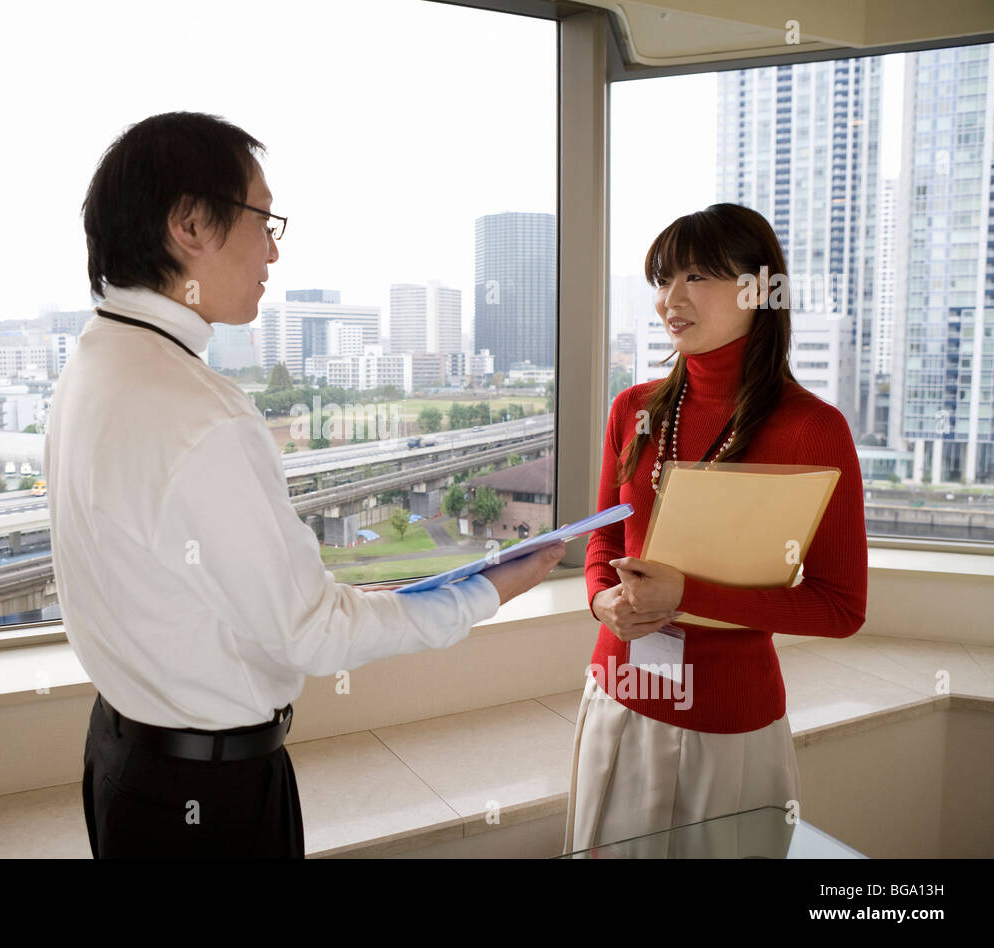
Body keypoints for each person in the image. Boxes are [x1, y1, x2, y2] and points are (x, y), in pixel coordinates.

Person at [46, 111, 567, 859]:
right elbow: (313, 635)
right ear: (190, 224)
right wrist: (484, 592)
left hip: (126, 762)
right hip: (206, 795)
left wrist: (340, 601)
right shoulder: (200, 416)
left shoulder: (97, 363)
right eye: (263, 219)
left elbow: (205, 591)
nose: (274, 251)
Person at [563, 203, 868, 856]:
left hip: (729, 725)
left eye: (696, 277)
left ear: (759, 289)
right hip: (617, 699)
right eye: (663, 279)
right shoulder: (634, 409)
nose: (670, 299)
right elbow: (605, 537)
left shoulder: (812, 429)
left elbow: (840, 608)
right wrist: (600, 598)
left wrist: (686, 597)